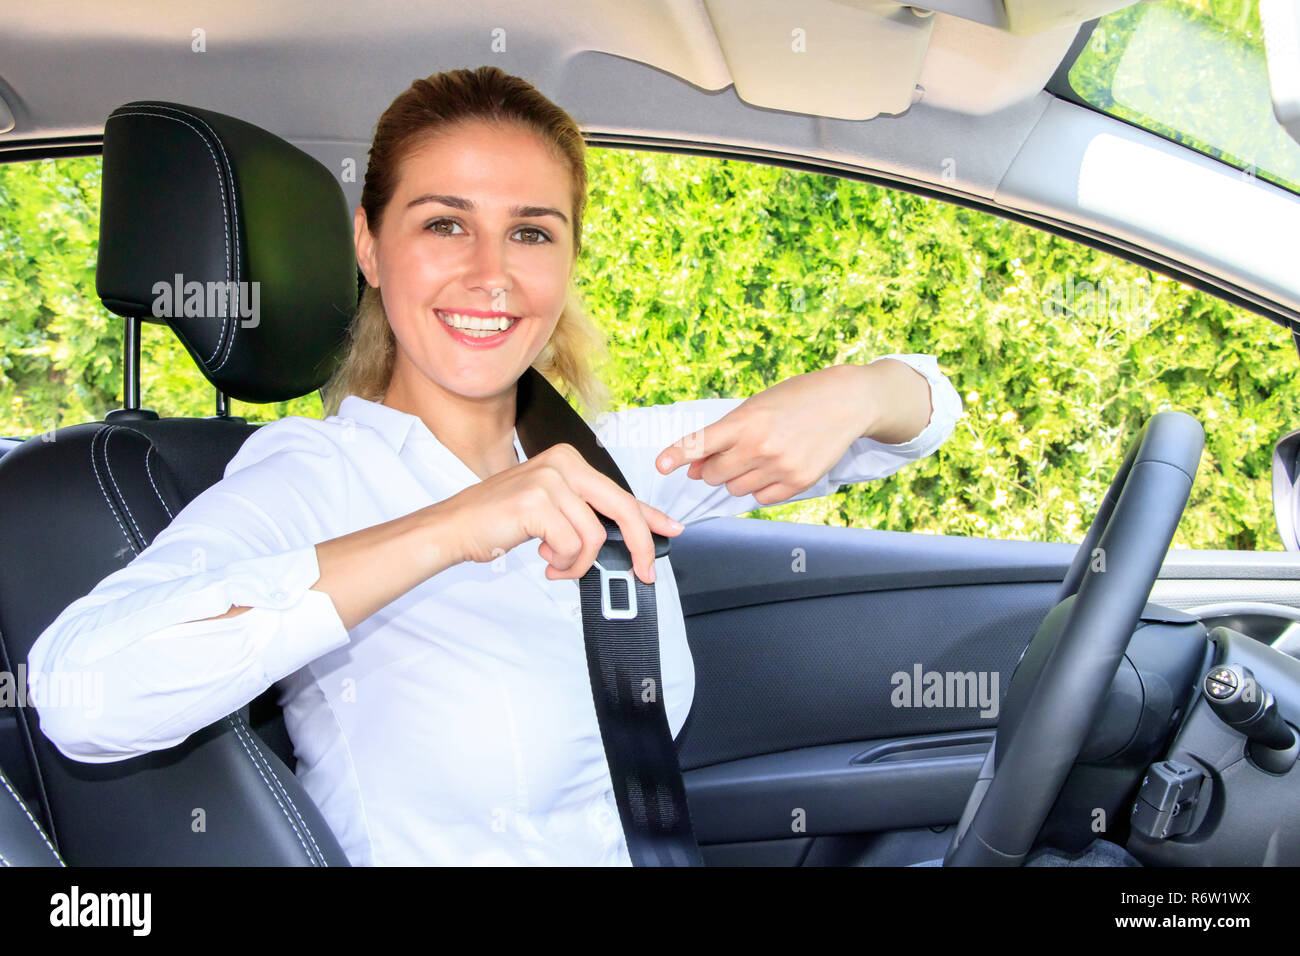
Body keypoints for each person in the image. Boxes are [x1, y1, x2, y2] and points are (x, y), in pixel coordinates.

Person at [27, 66, 963, 865]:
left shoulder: (605, 459)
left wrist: (862, 389)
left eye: (530, 231)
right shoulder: (315, 475)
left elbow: (923, 415)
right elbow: (81, 697)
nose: (492, 273)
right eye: (443, 224)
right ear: (369, 244)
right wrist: (449, 529)